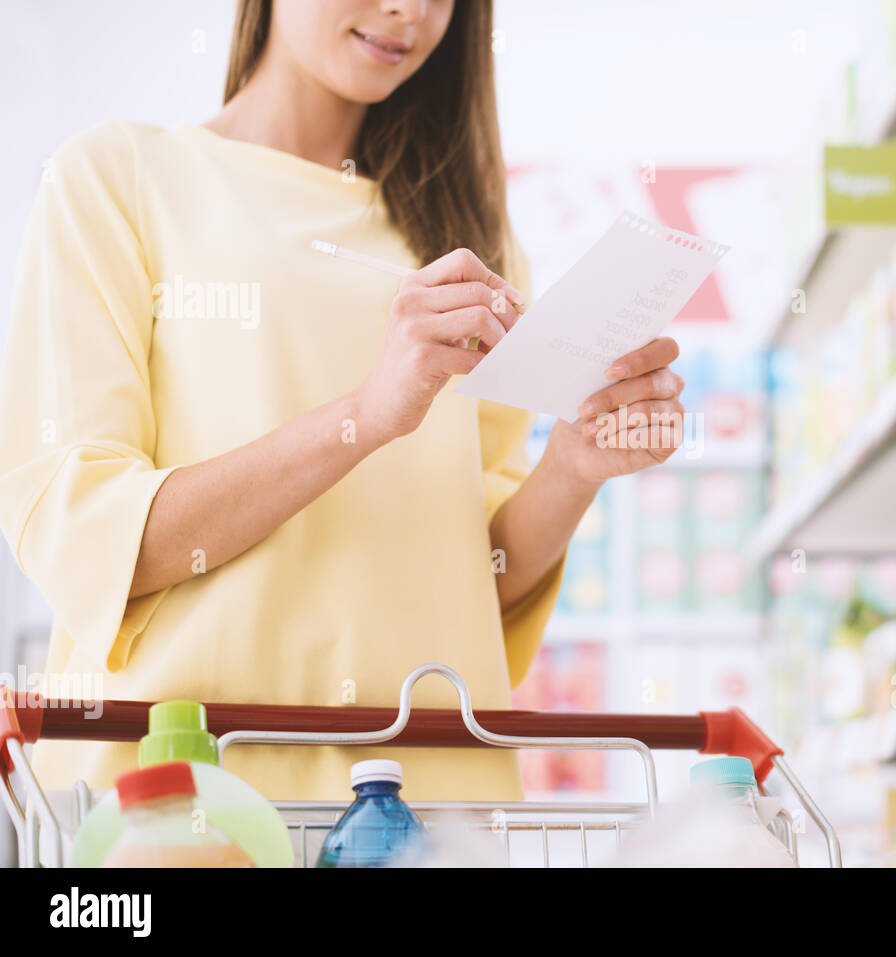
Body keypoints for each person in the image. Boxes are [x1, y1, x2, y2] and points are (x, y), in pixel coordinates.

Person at [0, 0, 686, 801]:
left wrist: (572, 468)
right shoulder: (117, 180)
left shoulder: (477, 243)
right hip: (186, 801)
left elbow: (478, 581)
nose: (413, 13)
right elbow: (96, 544)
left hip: (425, 811)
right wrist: (364, 416)